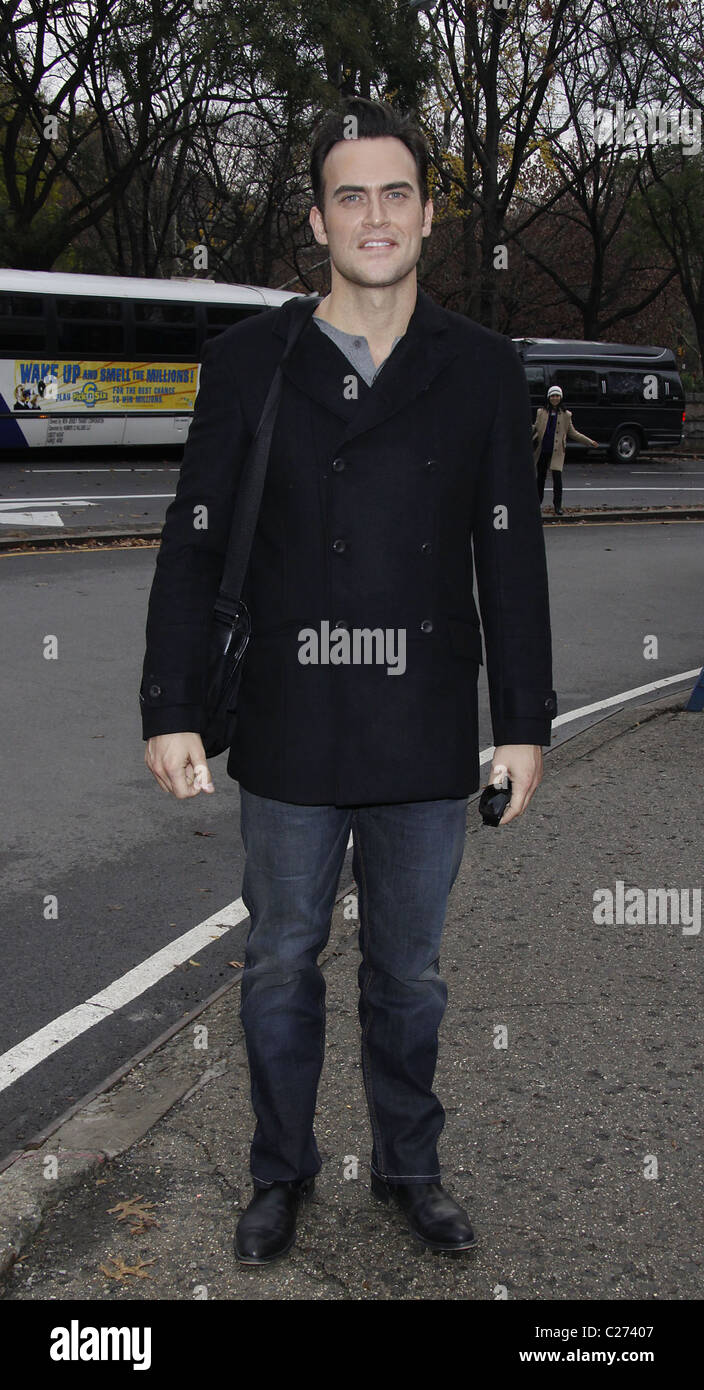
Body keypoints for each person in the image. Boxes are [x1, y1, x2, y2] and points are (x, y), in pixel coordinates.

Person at [139, 97, 558, 1265]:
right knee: (280, 958)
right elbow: (196, 542)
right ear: (317, 221)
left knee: (408, 973)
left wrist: (521, 724)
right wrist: (170, 705)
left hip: (423, 728)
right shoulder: (249, 362)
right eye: (347, 195)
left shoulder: (480, 368)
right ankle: (280, 1172)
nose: (373, 215)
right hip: (289, 723)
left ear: (425, 214)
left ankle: (408, 1167)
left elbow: (506, 554)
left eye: (394, 193)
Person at [532, 384, 598, 515]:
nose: (554, 398)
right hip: (542, 449)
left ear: (560, 397)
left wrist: (589, 442)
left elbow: (573, 433)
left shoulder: (566, 415)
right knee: (540, 478)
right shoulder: (541, 412)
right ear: (548, 397)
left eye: (557, 396)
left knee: (557, 479)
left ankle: (557, 506)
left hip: (557, 451)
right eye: (552, 396)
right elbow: (535, 427)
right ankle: (537, 504)